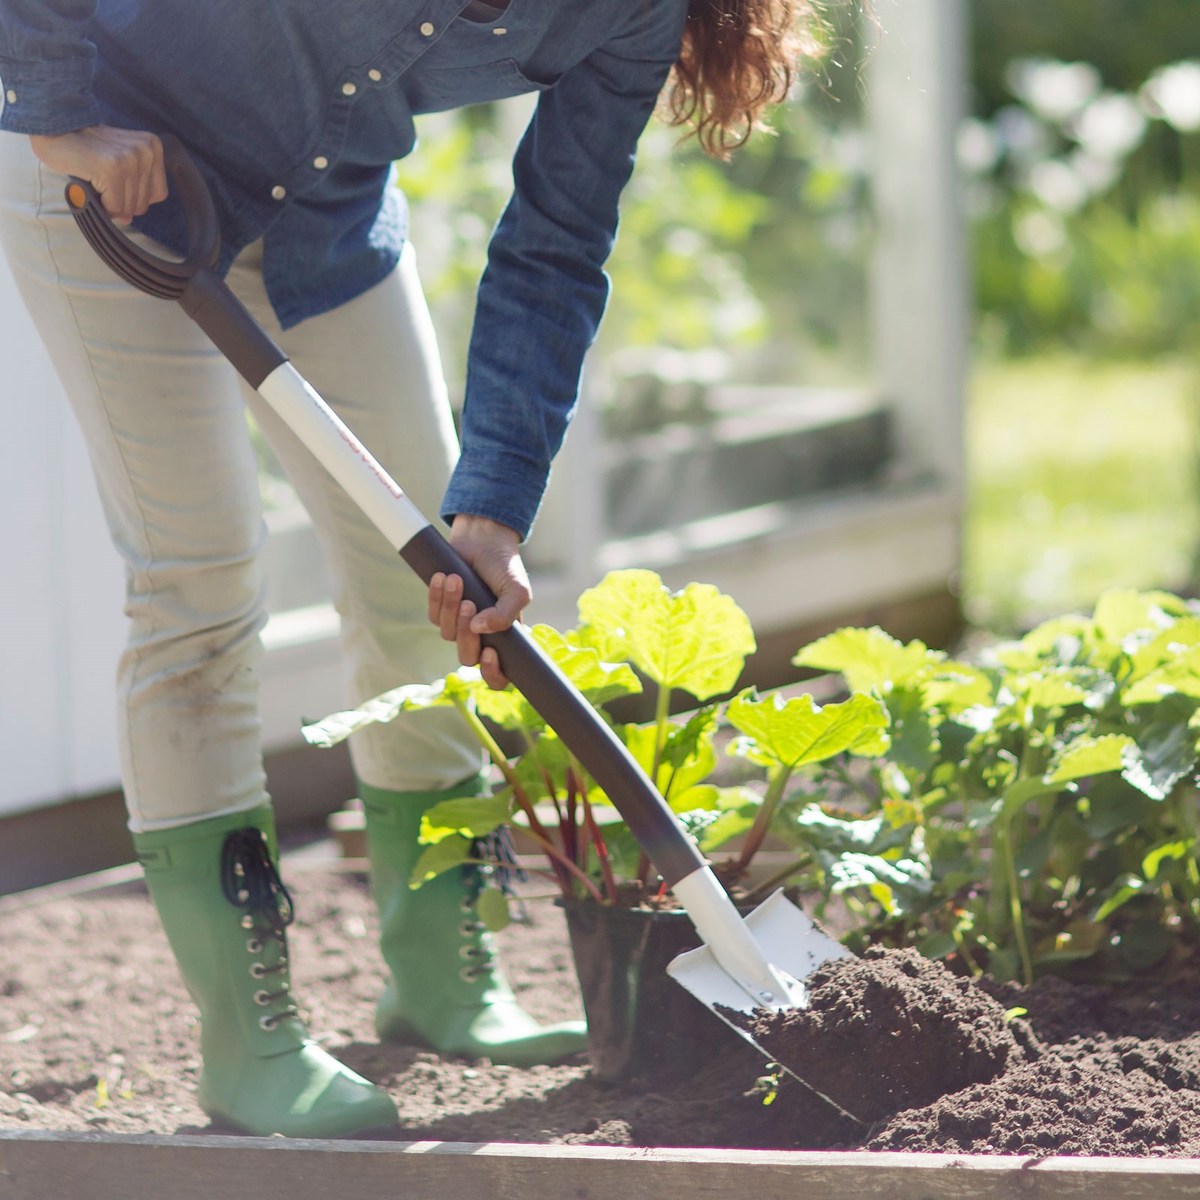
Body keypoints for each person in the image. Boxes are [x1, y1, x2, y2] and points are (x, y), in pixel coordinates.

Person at [0, 0, 819, 1138]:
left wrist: (493, 514)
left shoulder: (632, 12)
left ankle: (441, 973)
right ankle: (251, 1043)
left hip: (320, 219)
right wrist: (52, 113)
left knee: (426, 580)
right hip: (113, 183)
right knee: (199, 587)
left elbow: (558, 239)